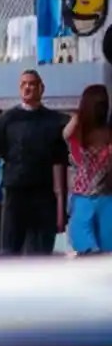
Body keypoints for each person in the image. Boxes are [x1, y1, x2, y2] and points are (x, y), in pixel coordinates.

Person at [0, 69, 69, 256]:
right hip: (15, 189)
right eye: (24, 84)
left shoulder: (54, 120)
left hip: (44, 192)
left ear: (41, 88)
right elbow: (0, 148)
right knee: (9, 248)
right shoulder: (7, 118)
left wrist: (60, 204)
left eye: (32, 84)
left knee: (41, 249)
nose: (28, 87)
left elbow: (59, 161)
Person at [63, 84, 112, 254]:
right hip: (89, 196)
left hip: (97, 195)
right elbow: (66, 134)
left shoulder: (100, 132)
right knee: (90, 243)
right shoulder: (79, 130)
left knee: (99, 243)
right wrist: (77, 118)